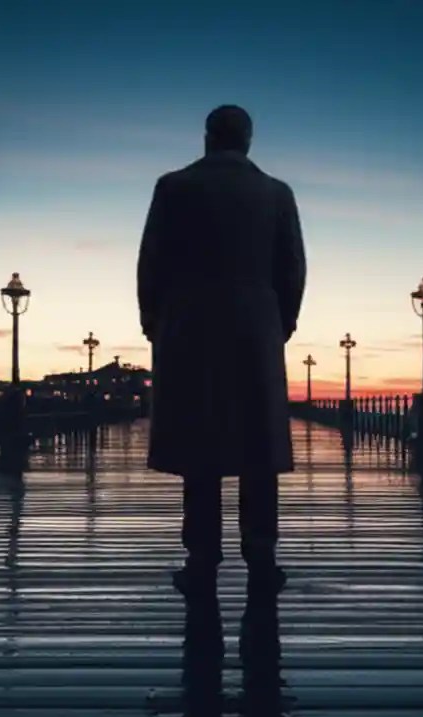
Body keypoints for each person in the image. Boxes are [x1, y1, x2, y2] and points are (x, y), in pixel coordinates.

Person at [137, 104, 307, 596]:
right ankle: (262, 556)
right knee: (258, 447)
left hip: (189, 325)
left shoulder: (173, 187)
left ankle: (202, 559)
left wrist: (154, 319)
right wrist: (281, 321)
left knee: (199, 445)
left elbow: (152, 260)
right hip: (255, 326)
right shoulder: (276, 193)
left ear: (208, 136)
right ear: (248, 140)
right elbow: (292, 267)